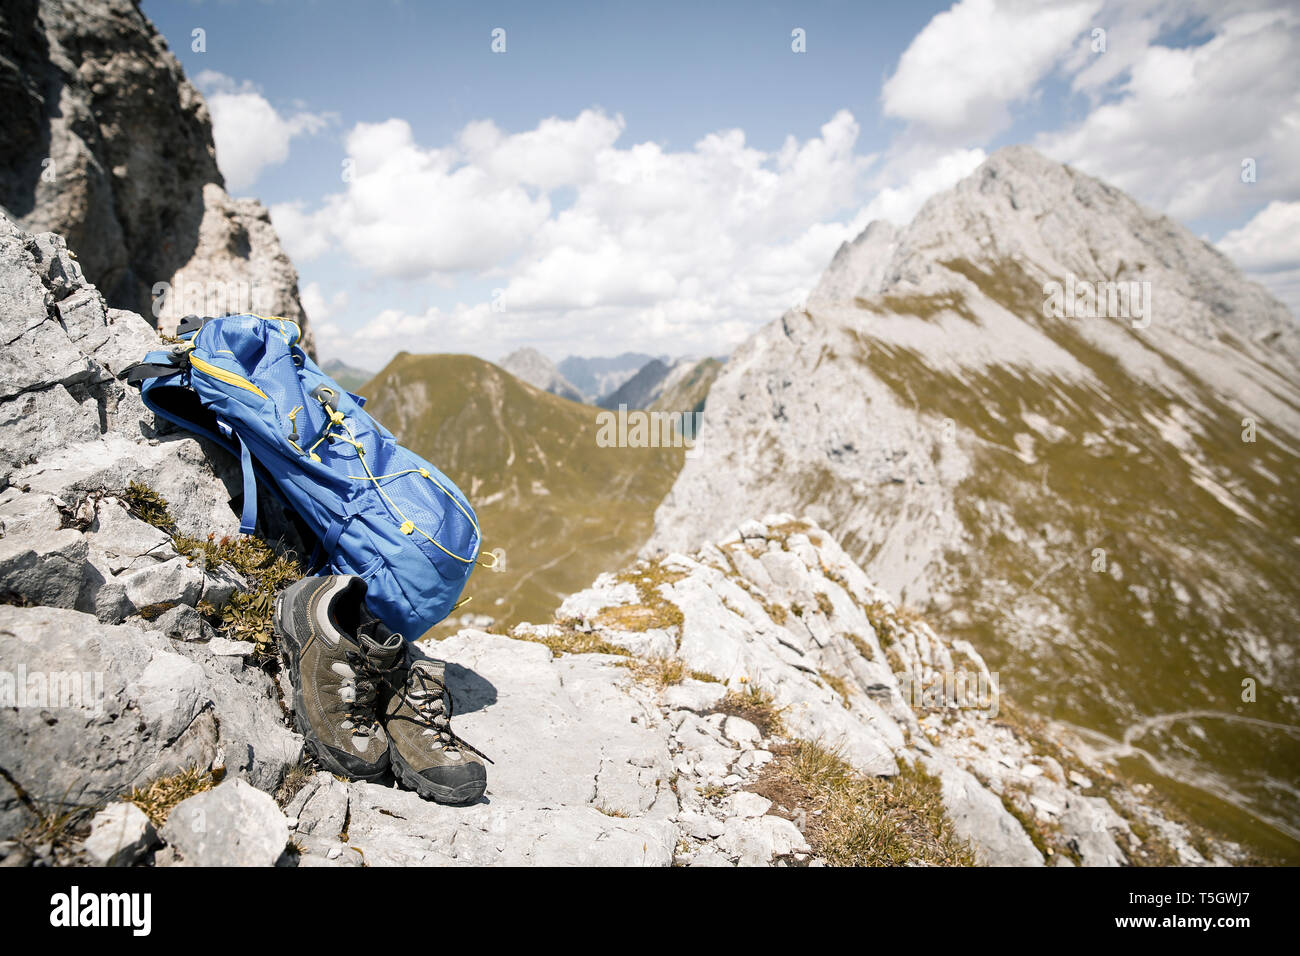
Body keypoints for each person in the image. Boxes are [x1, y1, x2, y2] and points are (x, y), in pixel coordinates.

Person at [273, 575, 488, 804]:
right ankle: (316, 621)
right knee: (367, 757)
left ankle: (399, 694)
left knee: (374, 753)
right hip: (326, 637)